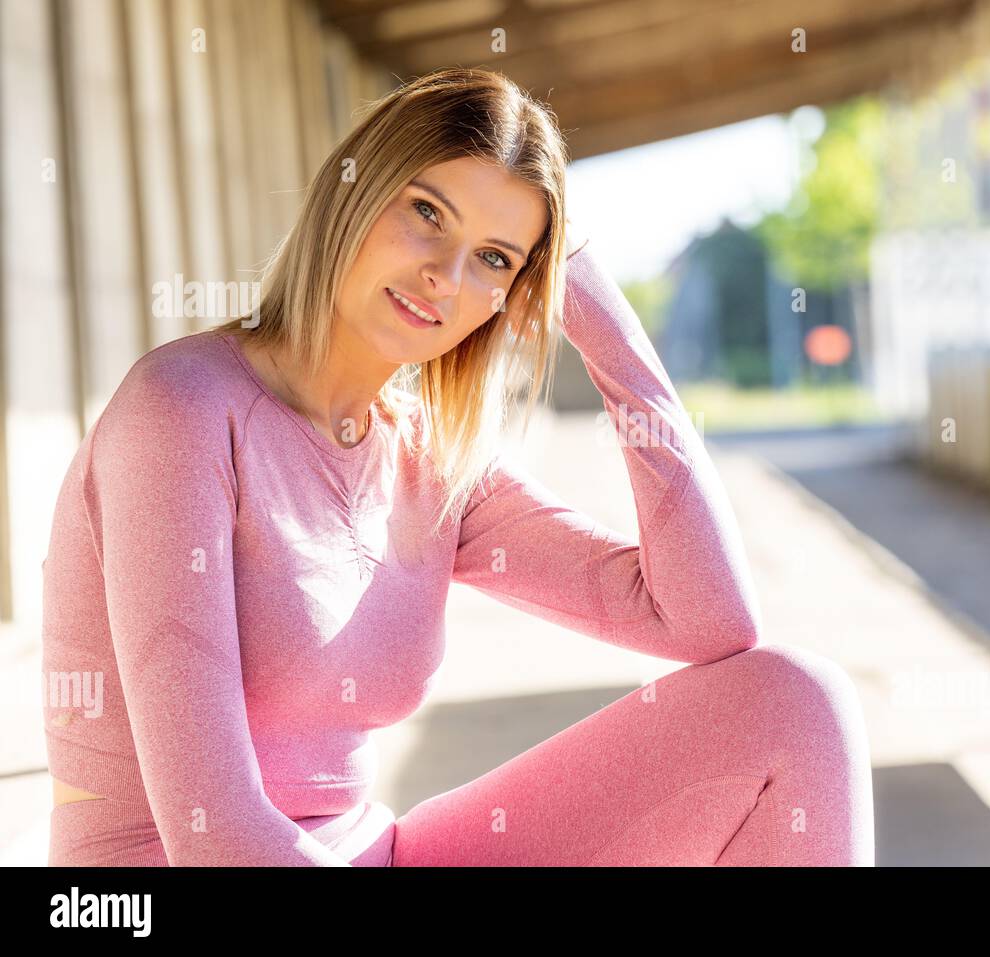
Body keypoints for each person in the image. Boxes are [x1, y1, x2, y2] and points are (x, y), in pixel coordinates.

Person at [40, 67, 874, 866]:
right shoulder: (182, 411)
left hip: (373, 849)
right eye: (428, 213)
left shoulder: (431, 461)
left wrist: (601, 318)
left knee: (795, 706)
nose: (445, 275)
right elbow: (211, 835)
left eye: (497, 259)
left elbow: (708, 620)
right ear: (354, 189)